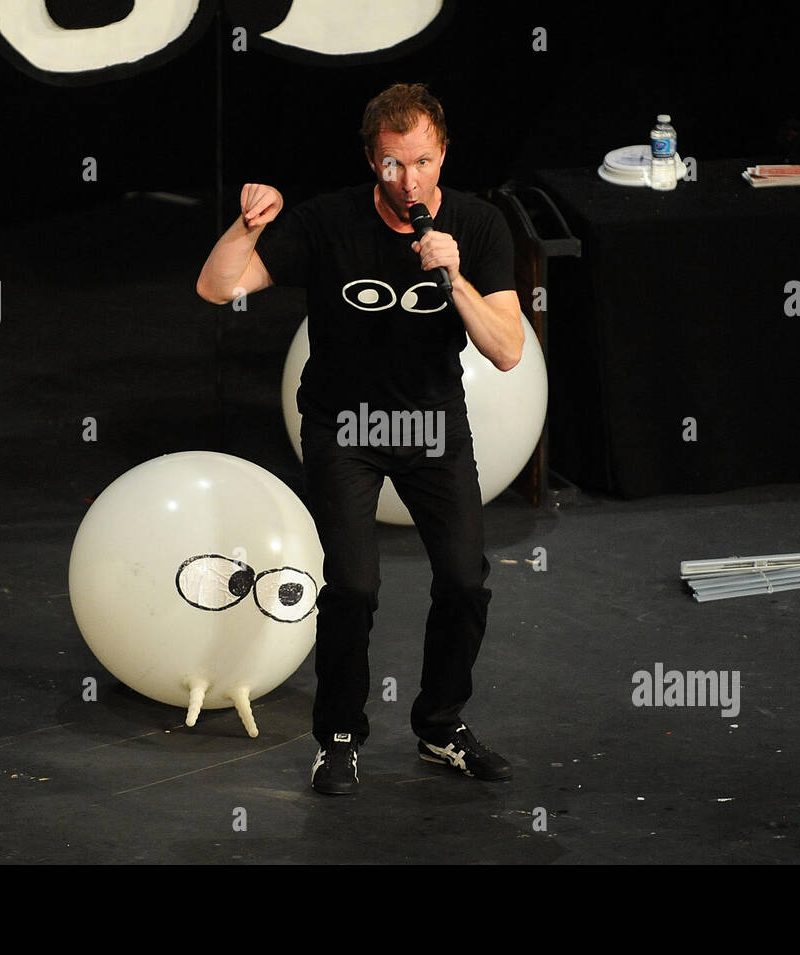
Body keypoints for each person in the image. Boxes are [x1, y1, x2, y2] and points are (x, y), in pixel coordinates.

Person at [196, 83, 523, 794]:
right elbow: (217, 288)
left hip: (433, 424)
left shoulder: (479, 225)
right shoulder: (326, 225)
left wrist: (454, 275)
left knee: (466, 580)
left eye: (423, 162)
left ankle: (440, 727)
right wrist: (248, 225)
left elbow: (506, 350)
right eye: (392, 166)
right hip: (345, 425)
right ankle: (338, 736)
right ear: (371, 162)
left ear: (443, 156)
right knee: (352, 585)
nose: (411, 182)